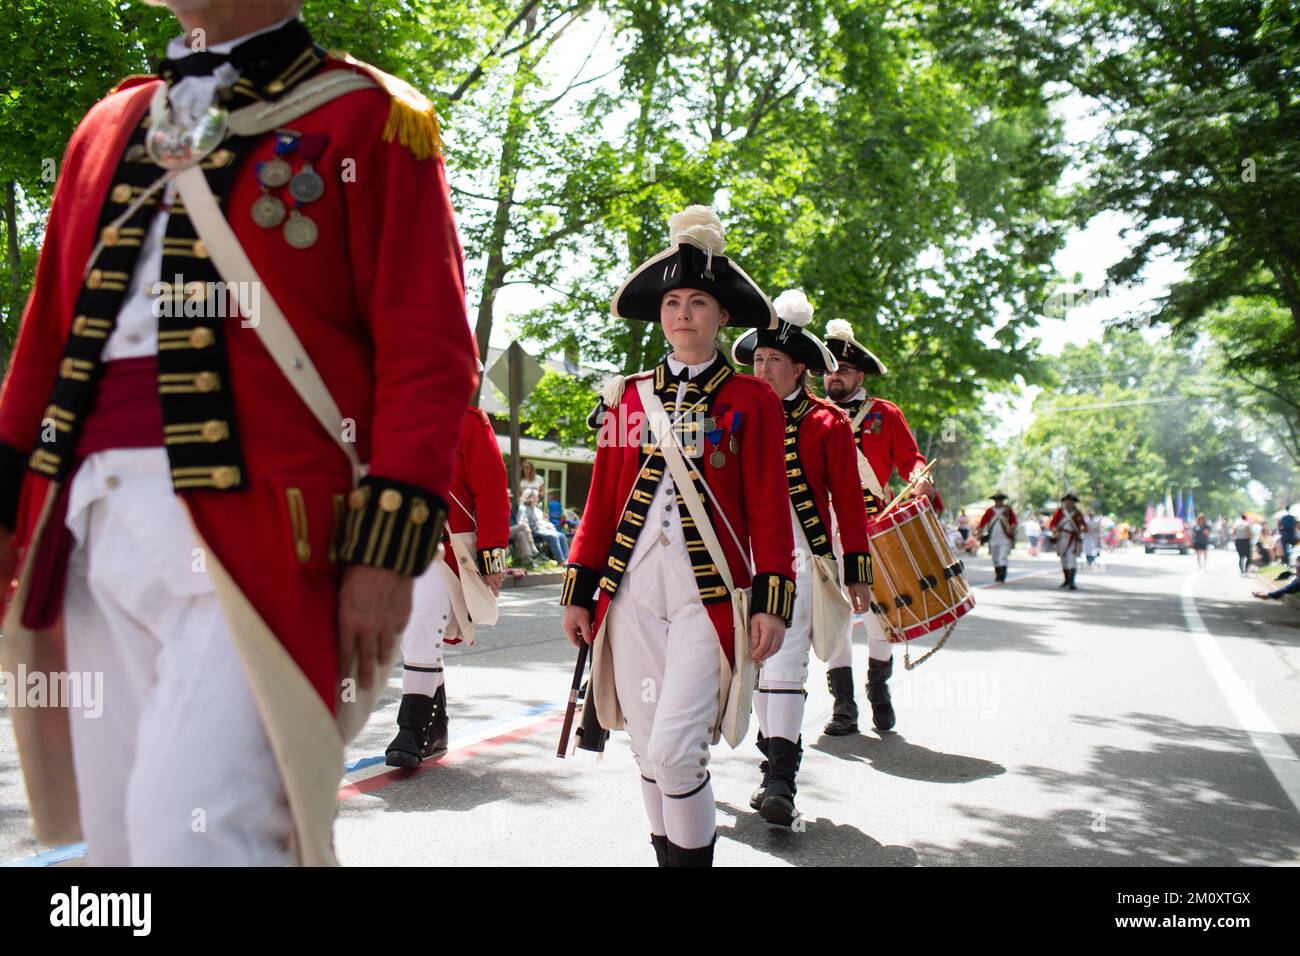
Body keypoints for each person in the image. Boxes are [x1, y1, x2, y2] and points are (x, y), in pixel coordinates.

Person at [0, 3, 476, 865]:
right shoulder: (110, 125)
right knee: (114, 856)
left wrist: (388, 549)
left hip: (262, 536)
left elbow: (428, 349)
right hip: (82, 537)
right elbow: (42, 354)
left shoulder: (367, 116)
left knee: (202, 837)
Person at [560, 205, 795, 866]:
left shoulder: (753, 400)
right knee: (643, 747)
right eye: (673, 302)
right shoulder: (626, 398)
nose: (684, 313)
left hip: (709, 596)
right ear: (660, 316)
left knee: (673, 749)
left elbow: (772, 509)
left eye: (698, 302)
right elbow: (601, 506)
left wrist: (772, 600)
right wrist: (579, 591)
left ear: (722, 318)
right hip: (631, 594)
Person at [731, 290, 873, 826]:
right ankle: (773, 760)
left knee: (785, 660)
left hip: (799, 555)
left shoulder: (827, 423)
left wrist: (855, 567)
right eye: (759, 360)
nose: (763, 369)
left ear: (798, 370)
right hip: (738, 552)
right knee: (757, 663)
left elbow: (849, 501)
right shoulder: (734, 410)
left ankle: (781, 780)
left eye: (774, 362)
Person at [818, 318, 939, 735]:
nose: (835, 377)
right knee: (834, 616)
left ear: (860, 375)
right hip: (819, 528)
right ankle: (843, 706)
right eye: (831, 369)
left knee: (876, 616)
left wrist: (920, 476)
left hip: (871, 527)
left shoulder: (885, 414)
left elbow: (911, 460)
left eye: (845, 371)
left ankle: (878, 691)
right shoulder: (813, 415)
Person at [386, 405, 508, 767]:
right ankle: (435, 727)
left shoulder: (469, 422)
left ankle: (410, 729)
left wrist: (492, 561)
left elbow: (492, 490)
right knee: (418, 632)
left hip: (448, 550)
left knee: (422, 629)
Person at [1049, 494, 1087, 590]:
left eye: (1071, 502)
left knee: (1072, 559)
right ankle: (1066, 580)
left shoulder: (1077, 513)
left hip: (1073, 539)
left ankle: (1072, 581)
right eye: (1067, 501)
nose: (1069, 503)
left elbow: (1085, 527)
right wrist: (1055, 531)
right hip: (1062, 538)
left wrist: (1081, 531)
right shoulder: (1060, 512)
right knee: (1064, 559)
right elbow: (1052, 524)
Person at [977, 492, 1017, 582]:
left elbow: (1014, 521)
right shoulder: (990, 511)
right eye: (997, 500)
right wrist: (980, 530)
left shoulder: (1007, 510)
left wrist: (1012, 527)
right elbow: (983, 522)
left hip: (1005, 538)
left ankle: (1002, 575)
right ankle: (998, 574)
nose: (999, 502)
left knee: (1003, 556)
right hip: (993, 538)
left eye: (1000, 500)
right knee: (995, 557)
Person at [523, 490, 568, 562]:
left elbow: (543, 521)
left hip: (542, 529)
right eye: (536, 497)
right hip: (534, 531)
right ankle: (561, 561)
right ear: (530, 498)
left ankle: (566, 559)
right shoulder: (524, 509)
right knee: (554, 536)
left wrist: (549, 525)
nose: (537, 499)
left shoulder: (536, 509)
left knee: (562, 535)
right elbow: (527, 522)